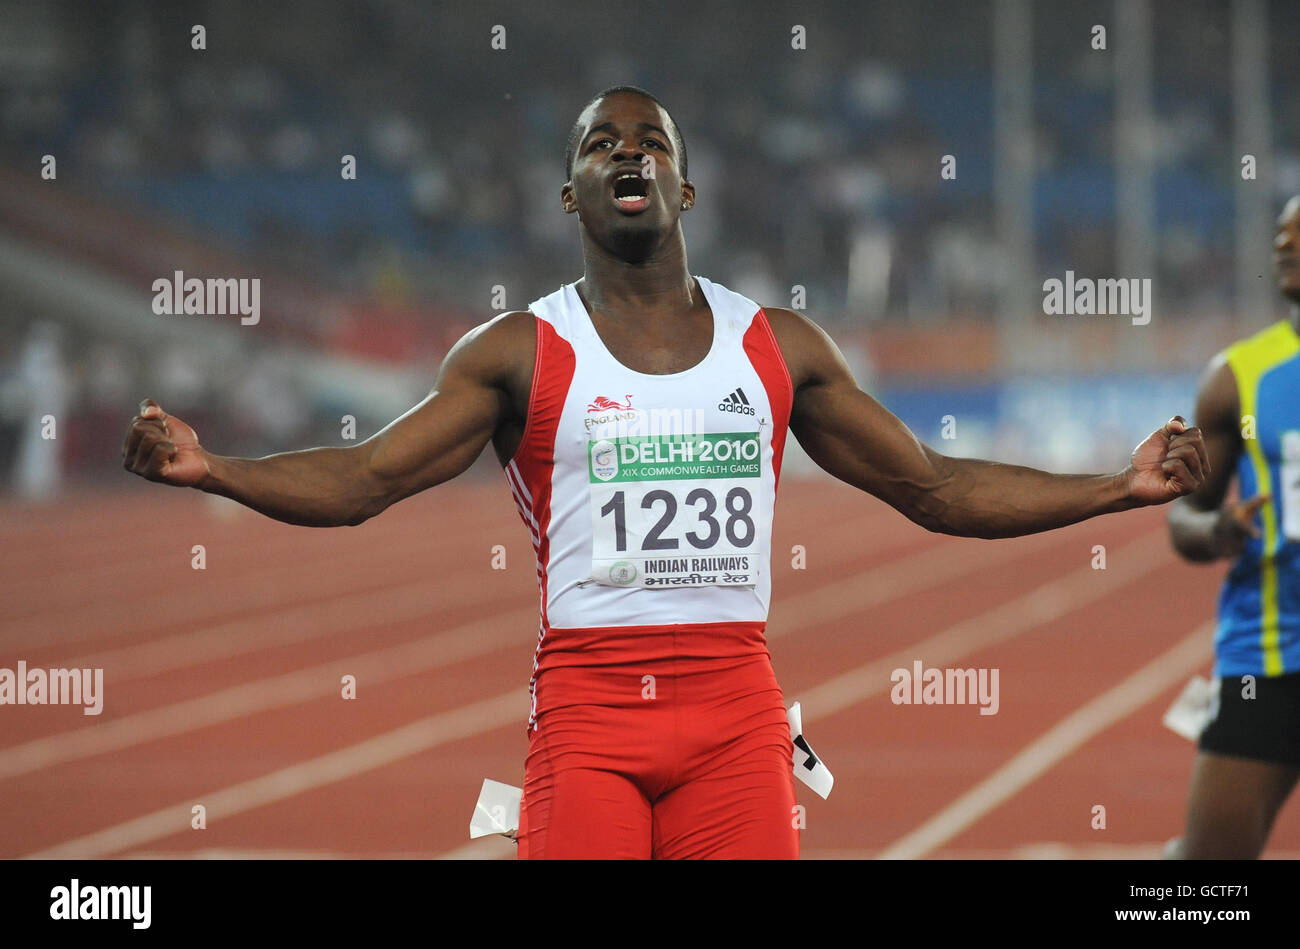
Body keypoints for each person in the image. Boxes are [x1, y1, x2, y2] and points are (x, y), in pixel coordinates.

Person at [123, 85, 1209, 859]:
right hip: (590, 716)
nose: (628, 153)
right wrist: (214, 468)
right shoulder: (516, 354)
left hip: (738, 714)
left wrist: (1115, 490)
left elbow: (931, 485)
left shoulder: (776, 347)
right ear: (570, 196)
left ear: (685, 188)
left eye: (651, 141)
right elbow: (362, 480)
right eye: (602, 143)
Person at [1165, 195, 1300, 859]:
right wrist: (1215, 531)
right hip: (1269, 653)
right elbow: (1182, 515)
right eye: (1281, 233)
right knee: (1203, 877)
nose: (1286, 243)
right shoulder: (1238, 377)